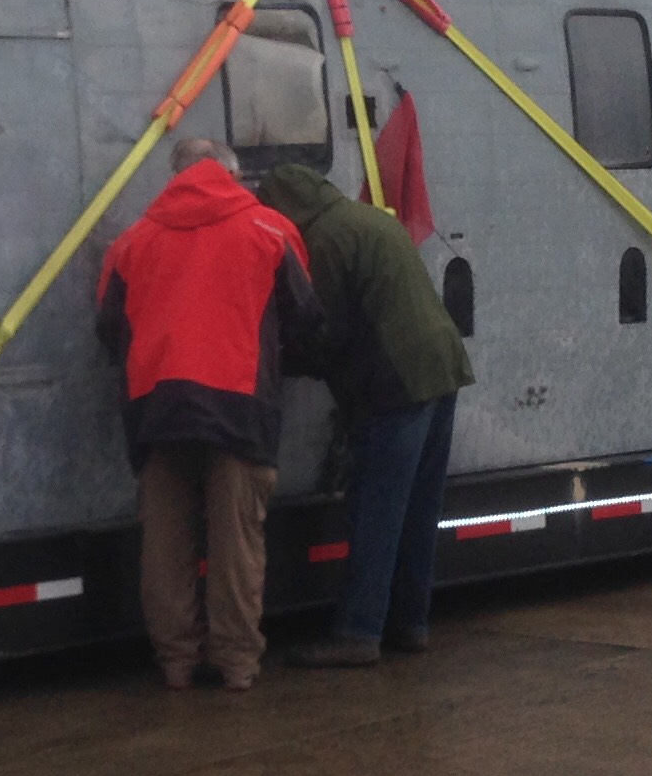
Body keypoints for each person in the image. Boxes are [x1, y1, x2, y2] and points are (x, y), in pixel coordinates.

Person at [96, 135, 321, 691]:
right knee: (235, 542)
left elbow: (108, 328)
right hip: (239, 403)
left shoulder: (131, 243)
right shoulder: (269, 230)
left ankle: (175, 663)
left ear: (175, 176)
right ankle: (237, 665)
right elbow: (305, 316)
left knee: (165, 542)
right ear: (233, 172)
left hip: (156, 404)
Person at [260, 162, 474, 667]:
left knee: (377, 510)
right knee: (418, 509)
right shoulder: (371, 218)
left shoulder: (327, 239)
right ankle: (410, 624)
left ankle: (358, 632)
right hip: (440, 370)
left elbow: (323, 329)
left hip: (394, 384)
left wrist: (272, 359)